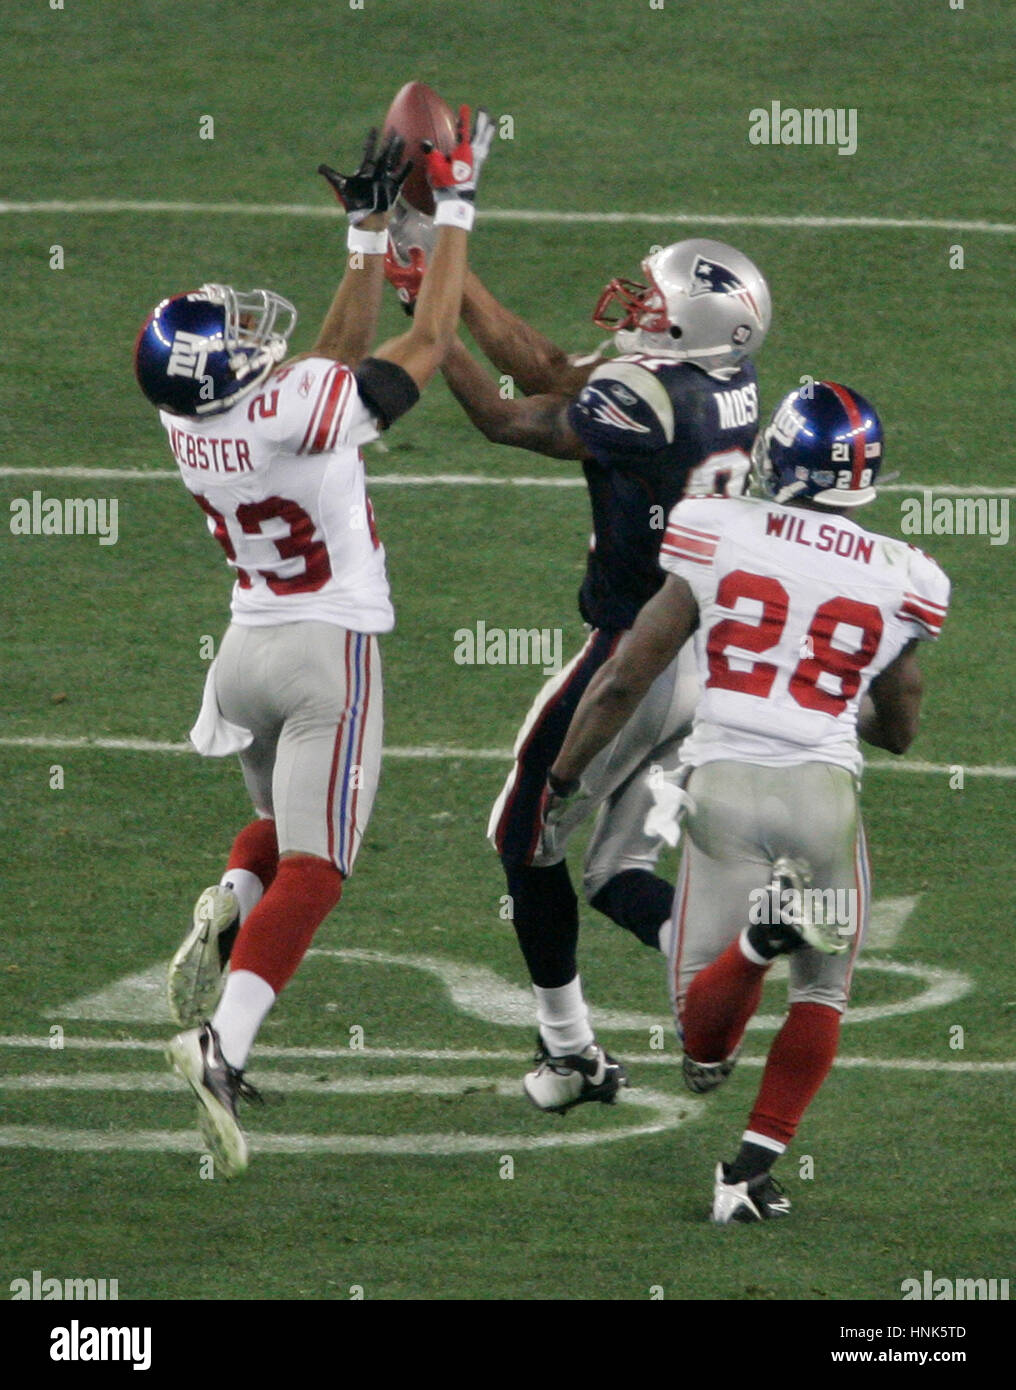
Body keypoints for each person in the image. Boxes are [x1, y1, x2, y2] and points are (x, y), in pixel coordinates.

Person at [133, 110, 494, 1177]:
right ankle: (221, 1042)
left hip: (244, 650)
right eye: (236, 338)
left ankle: (228, 902)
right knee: (320, 865)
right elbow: (419, 345)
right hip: (327, 654)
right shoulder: (292, 407)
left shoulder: (190, 420)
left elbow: (323, 362)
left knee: (271, 832)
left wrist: (363, 235)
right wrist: (454, 208)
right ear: (227, 372)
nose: (256, 336)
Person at [540, 381, 949, 1221]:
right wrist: (830, 688)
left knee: (700, 1034)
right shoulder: (904, 574)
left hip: (723, 784)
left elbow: (627, 676)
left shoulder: (717, 527)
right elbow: (901, 727)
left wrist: (563, 776)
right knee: (823, 994)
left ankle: (759, 941)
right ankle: (747, 1176)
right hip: (822, 791)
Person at [388, 218, 772, 1113]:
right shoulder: (726, 377)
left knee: (522, 830)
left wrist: (428, 327)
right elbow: (559, 372)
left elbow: (507, 415)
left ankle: (570, 1055)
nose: (636, 305)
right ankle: (724, 960)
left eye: (654, 300)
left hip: (639, 647)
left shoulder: (648, 401)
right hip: (710, 653)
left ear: (692, 325)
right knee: (612, 875)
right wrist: (442, 269)